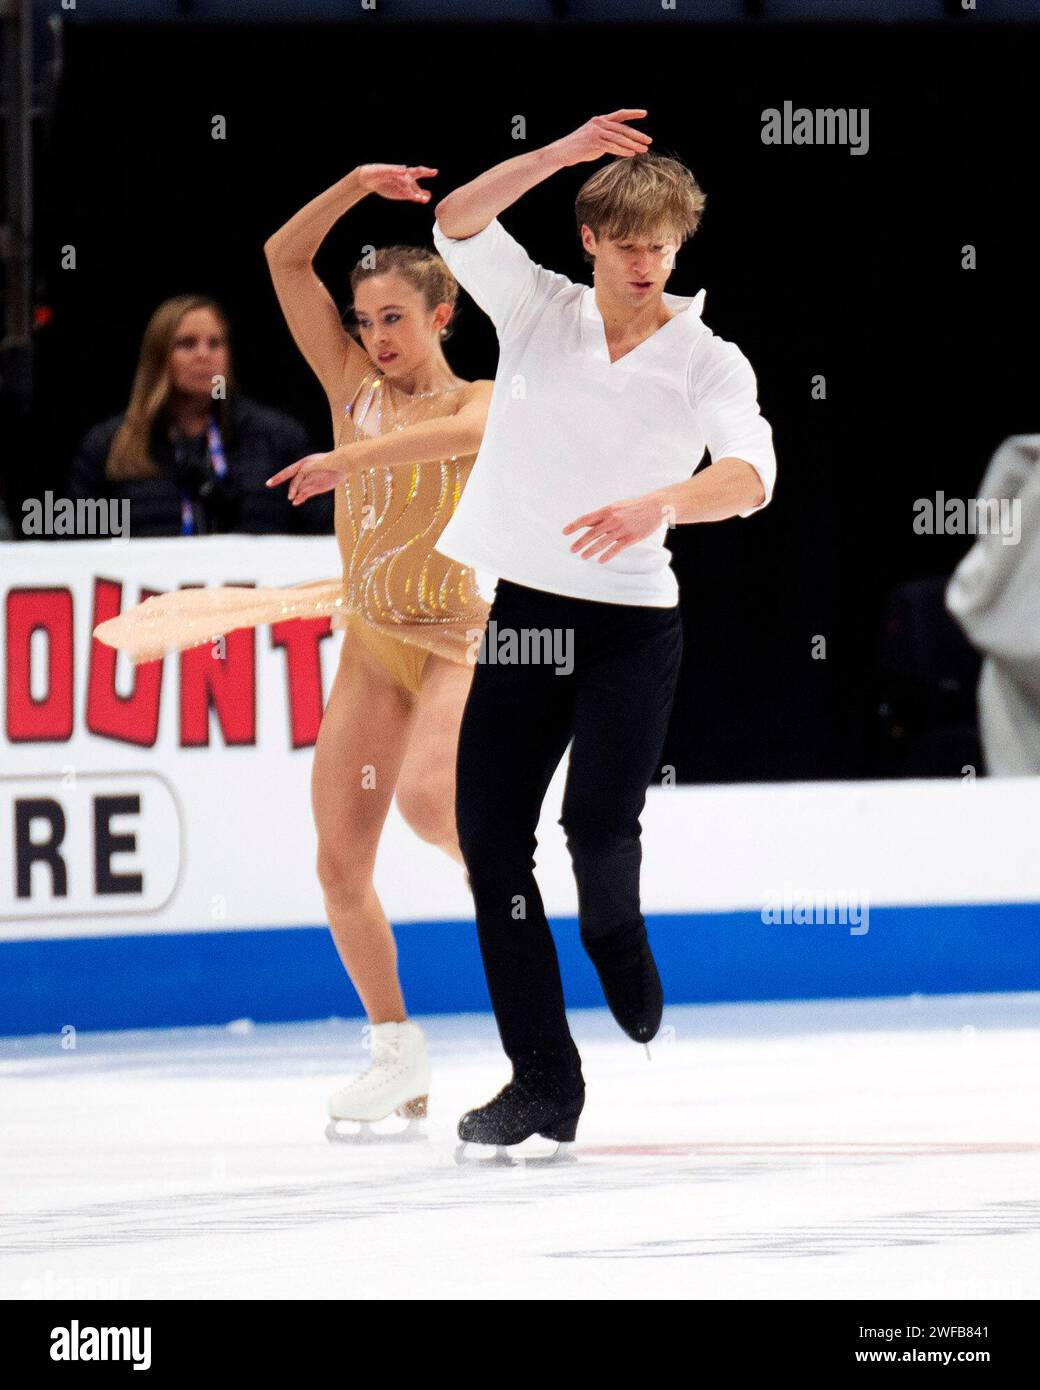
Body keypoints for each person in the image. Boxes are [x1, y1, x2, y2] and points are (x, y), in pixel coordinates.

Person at [94, 164, 495, 1138]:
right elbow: (282, 255)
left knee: (430, 801)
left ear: (440, 314)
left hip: (456, 635)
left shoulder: (483, 396)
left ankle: (507, 881)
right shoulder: (350, 385)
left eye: (394, 317)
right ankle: (395, 1054)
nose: (374, 337)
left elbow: (453, 440)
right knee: (339, 861)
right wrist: (355, 182)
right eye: (363, 320)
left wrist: (344, 460)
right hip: (370, 636)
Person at [432, 110, 777, 1154]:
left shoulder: (707, 358)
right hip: (527, 613)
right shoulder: (537, 310)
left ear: (679, 245)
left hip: (631, 626)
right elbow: (453, 220)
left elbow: (750, 475)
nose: (644, 262)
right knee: (489, 841)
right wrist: (554, 154)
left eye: (661, 245)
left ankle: (616, 938)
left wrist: (658, 503)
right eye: (627, 244)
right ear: (588, 239)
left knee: (592, 826)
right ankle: (543, 1077)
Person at [67, 295, 330, 538]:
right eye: (187, 344)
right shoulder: (108, 444)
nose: (203, 355)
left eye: (215, 343)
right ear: (157, 358)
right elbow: (74, 549)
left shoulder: (278, 438)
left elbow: (324, 533)